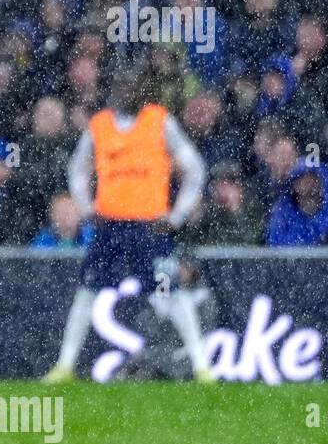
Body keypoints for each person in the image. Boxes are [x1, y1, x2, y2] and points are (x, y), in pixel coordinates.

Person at [42, 63, 213, 384]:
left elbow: (195, 170)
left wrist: (176, 216)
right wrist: (85, 206)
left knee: (171, 292)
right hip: (111, 227)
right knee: (88, 289)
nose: (127, 91)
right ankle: (64, 367)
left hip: (150, 228)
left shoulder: (160, 123)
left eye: (134, 84)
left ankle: (202, 367)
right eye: (121, 84)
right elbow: (77, 168)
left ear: (145, 89)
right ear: (113, 89)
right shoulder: (100, 126)